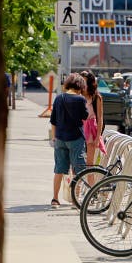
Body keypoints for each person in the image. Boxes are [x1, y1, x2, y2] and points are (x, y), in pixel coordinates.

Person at [49, 73, 88, 208]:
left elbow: (53, 120)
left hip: (60, 138)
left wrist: (54, 137)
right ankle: (75, 199)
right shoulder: (80, 100)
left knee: (59, 169)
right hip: (76, 138)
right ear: (80, 86)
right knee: (78, 169)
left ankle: (55, 199)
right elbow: (85, 116)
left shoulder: (59, 98)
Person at [80, 70, 106, 167]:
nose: (83, 85)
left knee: (90, 164)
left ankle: (91, 182)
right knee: (77, 163)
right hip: (79, 130)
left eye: (85, 82)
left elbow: (100, 118)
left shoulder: (96, 98)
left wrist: (98, 137)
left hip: (91, 130)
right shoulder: (77, 96)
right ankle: (77, 182)